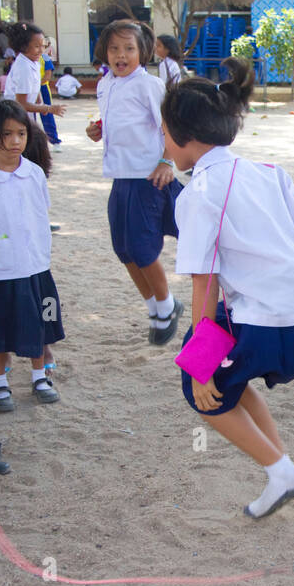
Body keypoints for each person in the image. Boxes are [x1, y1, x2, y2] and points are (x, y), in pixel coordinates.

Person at [165, 56, 294, 518]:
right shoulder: (269, 171)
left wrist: (199, 367)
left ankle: (280, 469)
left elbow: (205, 283)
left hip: (278, 321)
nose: (162, 142)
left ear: (184, 136)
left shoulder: (199, 194)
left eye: (163, 132)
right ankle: (281, 470)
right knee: (227, 371)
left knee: (200, 382)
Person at [0, 99, 63, 412]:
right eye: (7, 134)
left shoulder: (34, 174)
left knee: (38, 322)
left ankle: (39, 377)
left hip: (33, 264)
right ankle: (0, 382)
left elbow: (38, 214)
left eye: (21, 133)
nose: (16, 141)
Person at [86, 18, 183, 345]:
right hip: (120, 178)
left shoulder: (148, 85)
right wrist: (97, 130)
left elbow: (169, 126)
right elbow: (116, 121)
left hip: (147, 178)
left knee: (143, 249)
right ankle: (156, 308)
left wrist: (167, 161)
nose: (121, 55)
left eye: (129, 48)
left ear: (143, 52)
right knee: (124, 250)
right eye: (114, 48)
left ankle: (167, 305)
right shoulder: (105, 84)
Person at [3, 22, 66, 131]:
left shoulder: (33, 62)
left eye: (43, 46)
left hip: (23, 115)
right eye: (37, 46)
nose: (41, 50)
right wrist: (47, 108)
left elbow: (35, 85)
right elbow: (21, 103)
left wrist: (39, 102)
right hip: (13, 117)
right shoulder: (24, 68)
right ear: (23, 46)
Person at [39, 54, 63, 148]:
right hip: (28, 88)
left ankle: (54, 141)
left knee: (47, 113)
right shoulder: (25, 56)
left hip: (42, 88)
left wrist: (35, 84)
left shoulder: (45, 58)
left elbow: (47, 76)